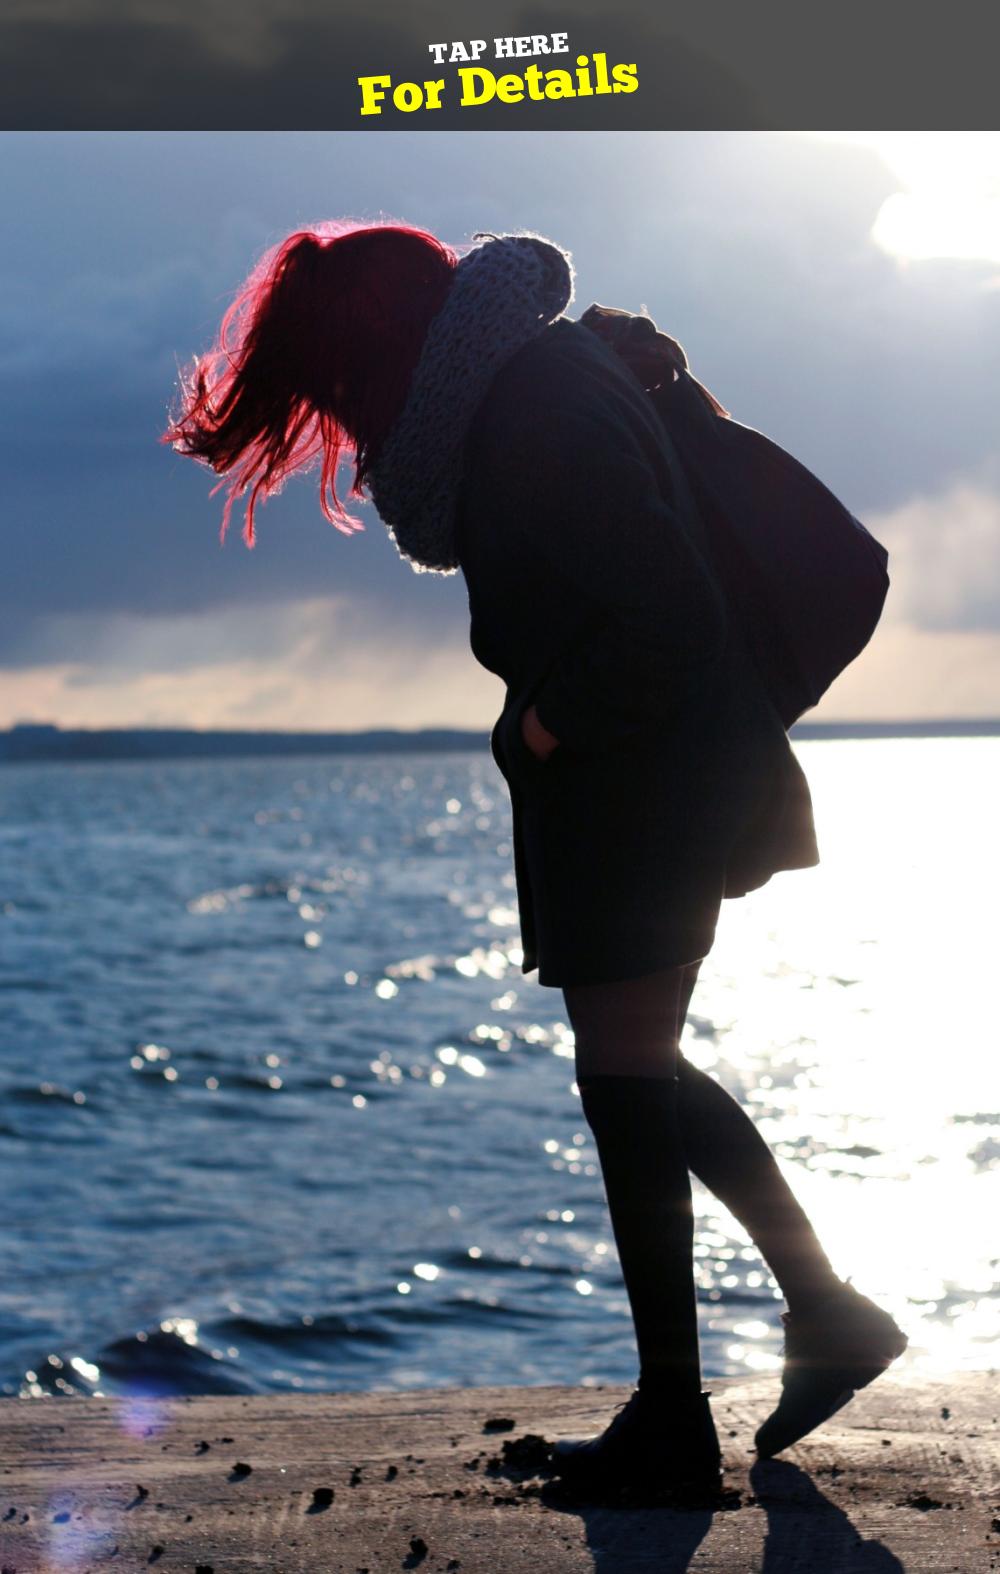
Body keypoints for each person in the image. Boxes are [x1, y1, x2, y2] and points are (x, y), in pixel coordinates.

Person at [163, 221, 908, 1502]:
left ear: (382, 350)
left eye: (336, 387)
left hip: (643, 779)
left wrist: (546, 718)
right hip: (654, 774)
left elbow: (666, 610)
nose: (341, 422)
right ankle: (818, 1314)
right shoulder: (531, 385)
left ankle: (678, 1419)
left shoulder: (536, 409)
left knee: (625, 1078)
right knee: (639, 1073)